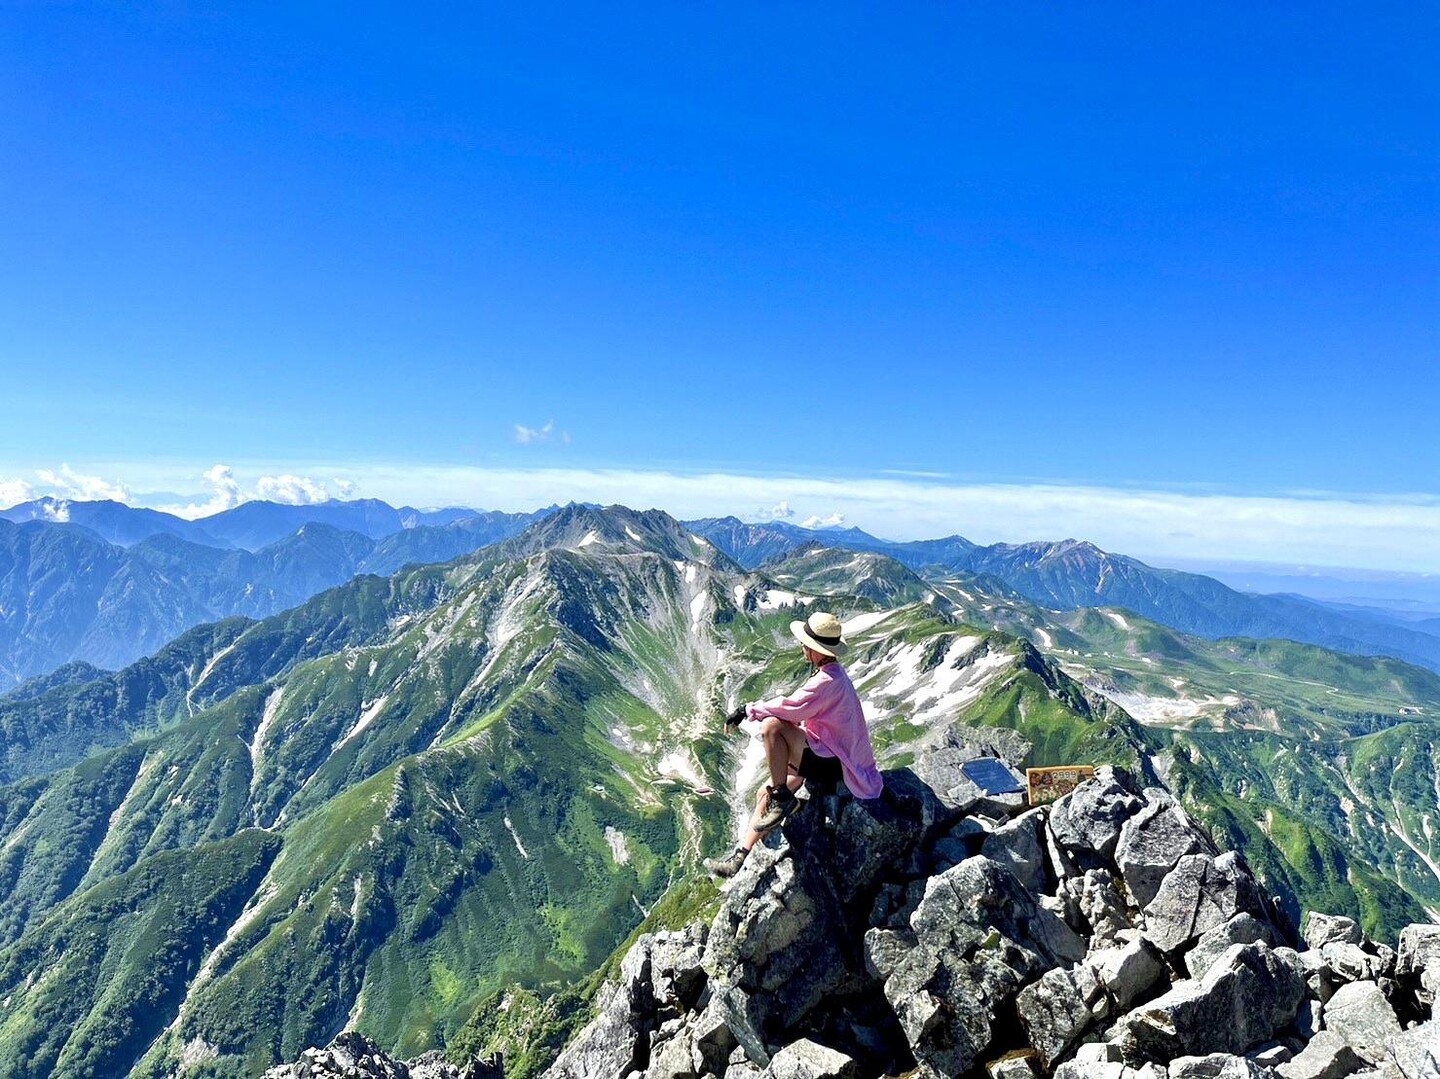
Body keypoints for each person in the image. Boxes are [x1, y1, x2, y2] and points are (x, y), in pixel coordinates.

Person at [704, 611, 884, 878]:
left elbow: (793, 707)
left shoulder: (827, 681)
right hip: (828, 753)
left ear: (816, 649)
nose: (802, 646)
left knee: (771, 726)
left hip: (833, 762)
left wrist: (747, 710)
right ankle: (739, 859)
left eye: (805, 643)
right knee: (762, 794)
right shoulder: (833, 675)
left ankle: (783, 798)